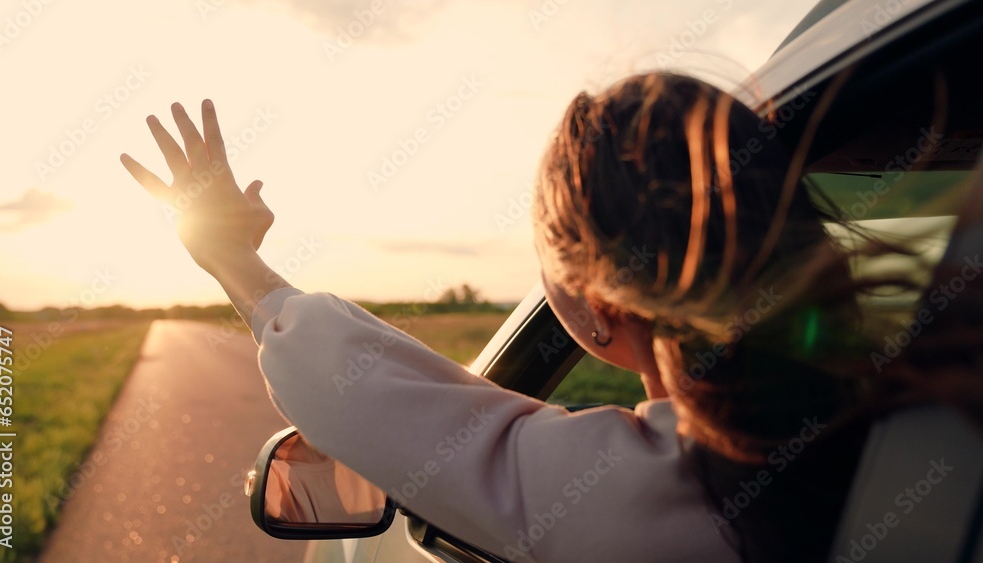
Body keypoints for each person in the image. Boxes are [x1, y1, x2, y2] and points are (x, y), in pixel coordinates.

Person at [120, 73, 970, 562]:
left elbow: (378, 407)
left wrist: (234, 261)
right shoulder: (943, 378)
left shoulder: (657, 495)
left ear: (599, 307)